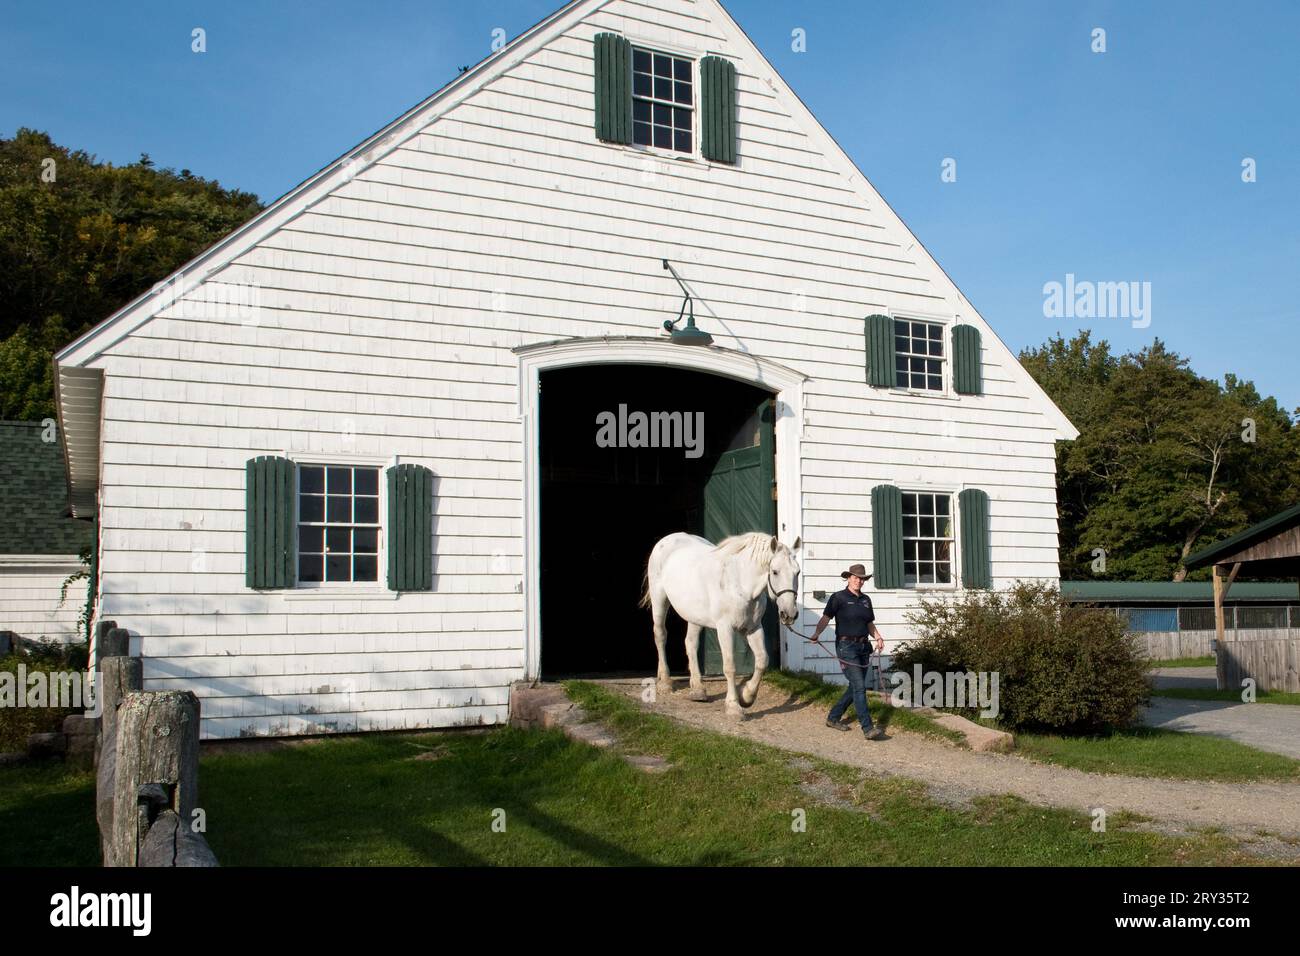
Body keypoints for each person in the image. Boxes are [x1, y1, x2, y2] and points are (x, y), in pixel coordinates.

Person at [810, 563, 886, 741]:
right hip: (846, 647)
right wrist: (816, 633)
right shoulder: (838, 598)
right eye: (856, 577)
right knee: (860, 686)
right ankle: (868, 728)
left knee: (854, 687)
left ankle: (833, 717)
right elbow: (825, 618)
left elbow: (869, 623)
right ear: (849, 578)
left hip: (863, 647)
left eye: (862, 578)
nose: (859, 581)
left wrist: (878, 637)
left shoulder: (866, 600)